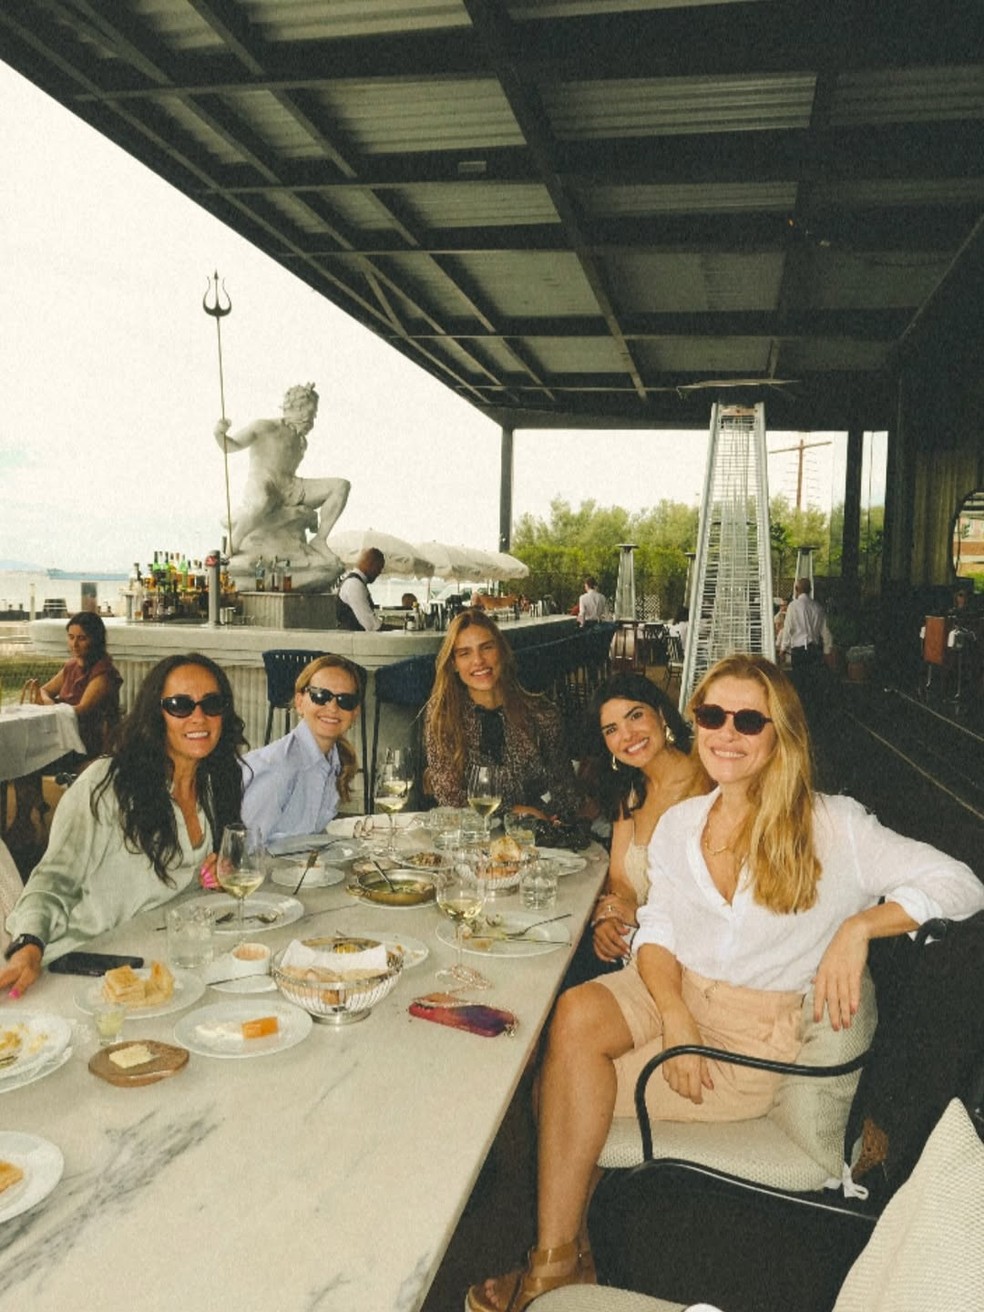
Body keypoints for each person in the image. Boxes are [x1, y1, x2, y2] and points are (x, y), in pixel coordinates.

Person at [467, 653, 984, 1311]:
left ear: (779, 734)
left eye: (748, 720)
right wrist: (675, 1014)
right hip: (673, 992)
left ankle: (559, 1263)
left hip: (746, 1032)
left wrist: (859, 930)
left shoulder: (834, 825)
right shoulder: (684, 823)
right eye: (713, 715)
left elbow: (962, 884)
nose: (726, 734)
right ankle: (565, 1257)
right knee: (572, 1017)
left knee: (559, 1087)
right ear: (695, 719)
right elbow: (656, 933)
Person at [0, 654, 247, 996]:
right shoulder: (109, 784)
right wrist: (28, 945)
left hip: (161, 963)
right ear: (155, 713)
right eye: (180, 705)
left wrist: (217, 874)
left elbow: (191, 879)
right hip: (87, 967)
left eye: (212, 703)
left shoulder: (216, 782)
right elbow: (54, 878)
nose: (199, 717)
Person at [587, 673, 710, 969]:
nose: (627, 735)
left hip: (693, 958)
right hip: (635, 947)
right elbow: (619, 879)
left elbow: (709, 903)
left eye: (636, 716)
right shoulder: (630, 793)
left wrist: (638, 914)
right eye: (611, 729)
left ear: (662, 714)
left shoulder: (705, 785)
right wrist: (609, 919)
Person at [423, 608, 578, 821]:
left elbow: (564, 787)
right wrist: (514, 811)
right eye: (465, 653)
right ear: (453, 664)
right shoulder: (443, 716)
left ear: (502, 652)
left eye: (486, 647)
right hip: (470, 838)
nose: (478, 660)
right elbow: (449, 797)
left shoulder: (541, 712)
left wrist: (556, 820)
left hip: (537, 837)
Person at [213, 383, 350, 587]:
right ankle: (233, 545)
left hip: (290, 486)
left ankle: (320, 540)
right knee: (261, 503)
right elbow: (230, 446)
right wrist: (219, 433)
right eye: (308, 414)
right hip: (263, 482)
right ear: (292, 408)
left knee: (340, 486)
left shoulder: (301, 440)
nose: (311, 420)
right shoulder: (264, 427)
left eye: (313, 415)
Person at [10, 611, 123, 849]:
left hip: (86, 745)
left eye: (81, 638)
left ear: (95, 640)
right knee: (19, 755)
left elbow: (80, 710)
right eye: (70, 637)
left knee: (26, 759)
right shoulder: (71, 667)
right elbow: (44, 691)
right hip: (61, 741)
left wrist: (53, 705)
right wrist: (52, 703)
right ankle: (25, 819)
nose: (74, 644)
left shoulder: (104, 674)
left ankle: (25, 822)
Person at [241, 655, 363, 841]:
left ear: (354, 713)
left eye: (344, 700)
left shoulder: (333, 760)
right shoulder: (278, 769)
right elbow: (245, 850)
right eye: (320, 696)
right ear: (300, 702)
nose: (332, 708)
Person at [779, 577, 832, 667]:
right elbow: (825, 631)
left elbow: (788, 628)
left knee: (799, 679)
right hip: (814, 650)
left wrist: (783, 648)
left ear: (796, 589)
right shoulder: (817, 607)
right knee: (811, 680)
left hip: (798, 651)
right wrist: (827, 651)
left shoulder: (793, 606)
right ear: (810, 590)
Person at [336, 547, 387, 631]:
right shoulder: (354, 584)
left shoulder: (356, 582)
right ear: (370, 563)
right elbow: (371, 625)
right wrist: (401, 629)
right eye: (379, 568)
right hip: (353, 642)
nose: (379, 572)